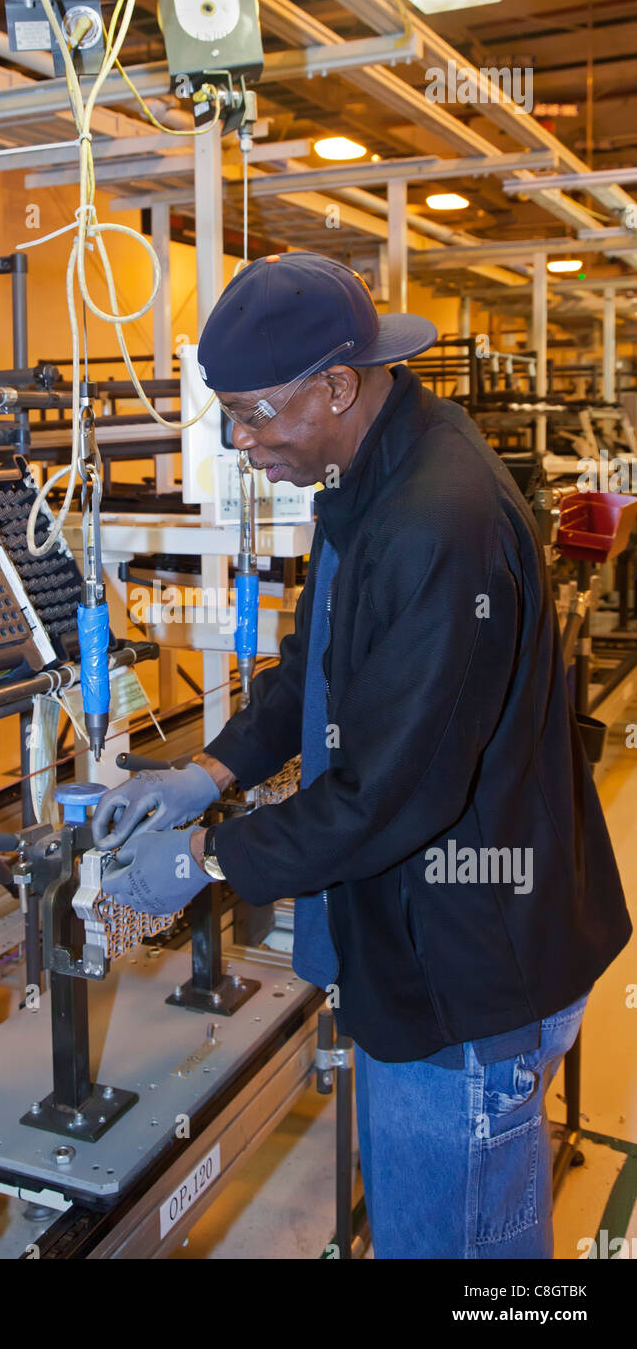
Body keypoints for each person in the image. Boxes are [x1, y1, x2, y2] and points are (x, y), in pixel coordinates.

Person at [92, 251, 632, 1259]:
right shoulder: (367, 467)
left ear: (337, 385)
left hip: (466, 974)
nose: (242, 442)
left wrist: (208, 861)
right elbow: (317, 665)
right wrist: (210, 771)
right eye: (229, 417)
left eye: (255, 415)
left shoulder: (438, 521)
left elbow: (391, 794)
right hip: (426, 942)